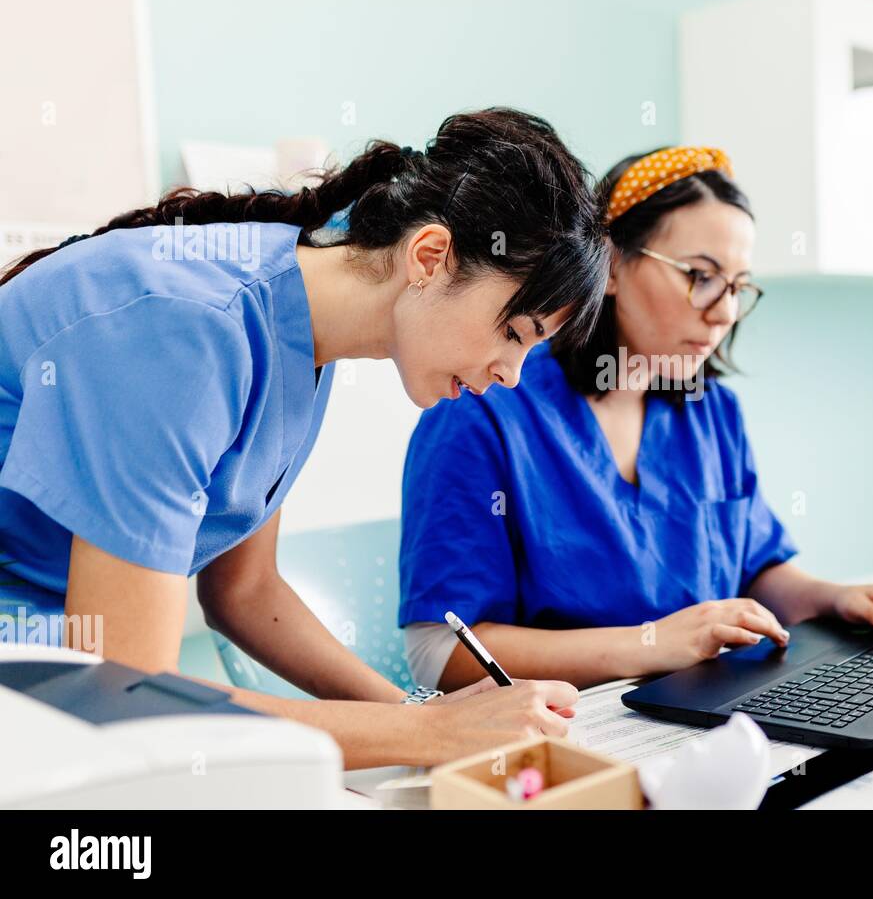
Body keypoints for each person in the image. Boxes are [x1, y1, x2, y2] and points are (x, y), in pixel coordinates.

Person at [0, 108, 609, 768]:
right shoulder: (187, 332)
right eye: (514, 333)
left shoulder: (300, 337)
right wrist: (429, 736)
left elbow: (245, 591)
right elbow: (125, 690)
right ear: (429, 257)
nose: (512, 375)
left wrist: (423, 717)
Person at [400, 146, 873, 691]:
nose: (723, 313)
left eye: (738, 287)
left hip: (711, 713)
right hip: (566, 739)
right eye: (699, 274)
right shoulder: (483, 407)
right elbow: (441, 652)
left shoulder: (712, 412)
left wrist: (835, 598)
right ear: (611, 266)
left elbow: (756, 571)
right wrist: (648, 643)